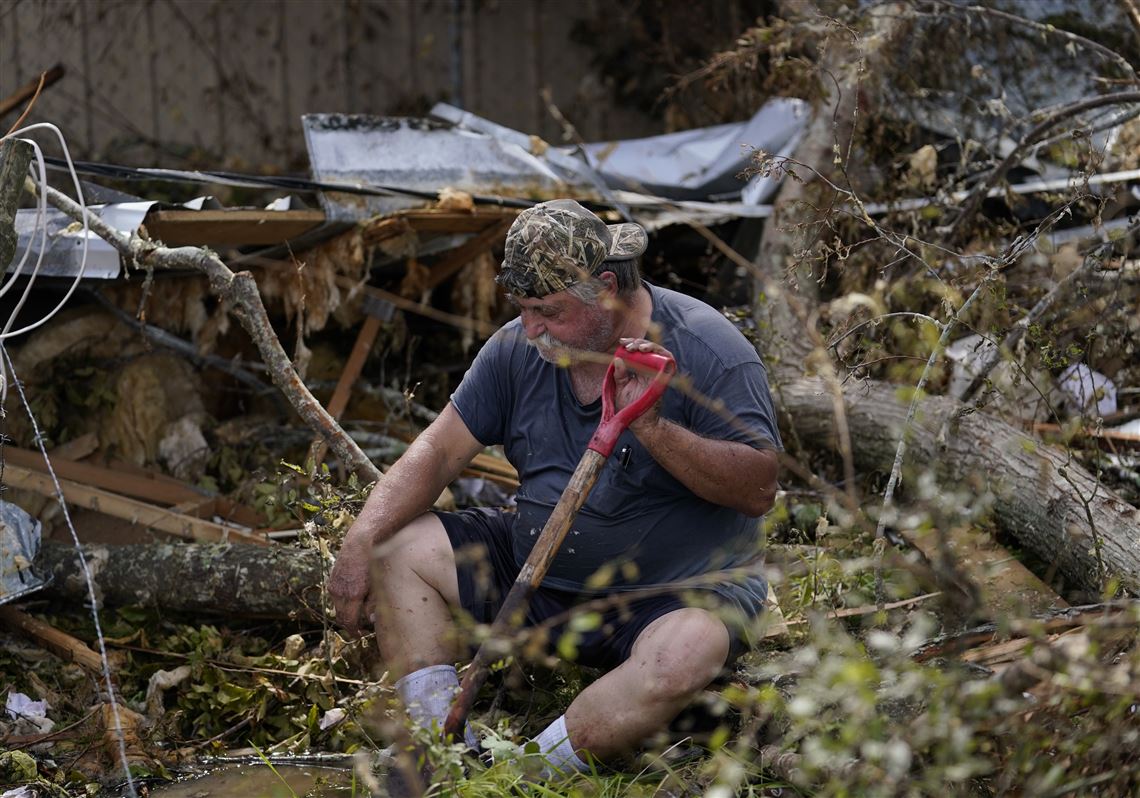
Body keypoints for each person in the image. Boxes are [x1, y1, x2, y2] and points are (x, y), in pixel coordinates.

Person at [328, 199, 781, 790]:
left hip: (669, 597)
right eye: (523, 309)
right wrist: (362, 540)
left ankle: (523, 775)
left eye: (549, 311)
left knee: (686, 651)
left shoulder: (709, 348)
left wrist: (652, 428)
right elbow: (438, 452)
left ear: (608, 289)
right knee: (400, 550)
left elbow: (759, 488)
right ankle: (441, 754)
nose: (532, 328)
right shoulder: (518, 348)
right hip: (536, 582)